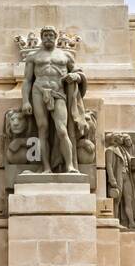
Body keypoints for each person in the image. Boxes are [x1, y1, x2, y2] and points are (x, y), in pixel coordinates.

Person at [21, 26, 86, 173]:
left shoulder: (65, 56)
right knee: (42, 129)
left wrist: (76, 76)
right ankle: (46, 167)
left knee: (62, 130)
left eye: (51, 35)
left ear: (55, 37)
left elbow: (77, 71)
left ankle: (69, 166)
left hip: (59, 92)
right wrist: (25, 101)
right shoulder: (33, 56)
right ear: (42, 37)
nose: (48, 37)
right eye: (45, 35)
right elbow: (27, 81)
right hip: (39, 92)